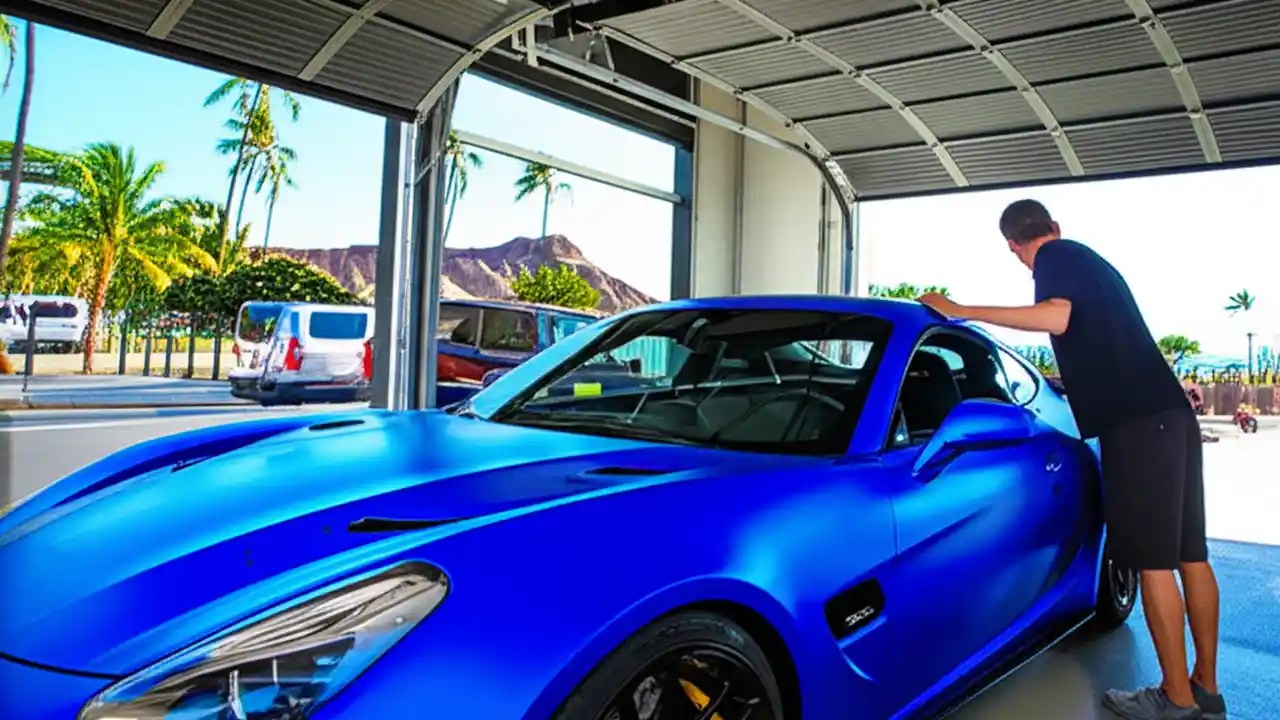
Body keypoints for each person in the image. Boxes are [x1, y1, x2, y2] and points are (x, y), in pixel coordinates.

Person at [917, 199, 1223, 720]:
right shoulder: (1089, 261)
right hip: (1170, 415)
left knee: (1152, 563)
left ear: (1015, 246)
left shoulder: (1055, 257)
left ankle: (1175, 699)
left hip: (1137, 426)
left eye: (1016, 250)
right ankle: (1205, 689)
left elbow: (1057, 316)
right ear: (1055, 224)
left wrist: (963, 310)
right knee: (1191, 554)